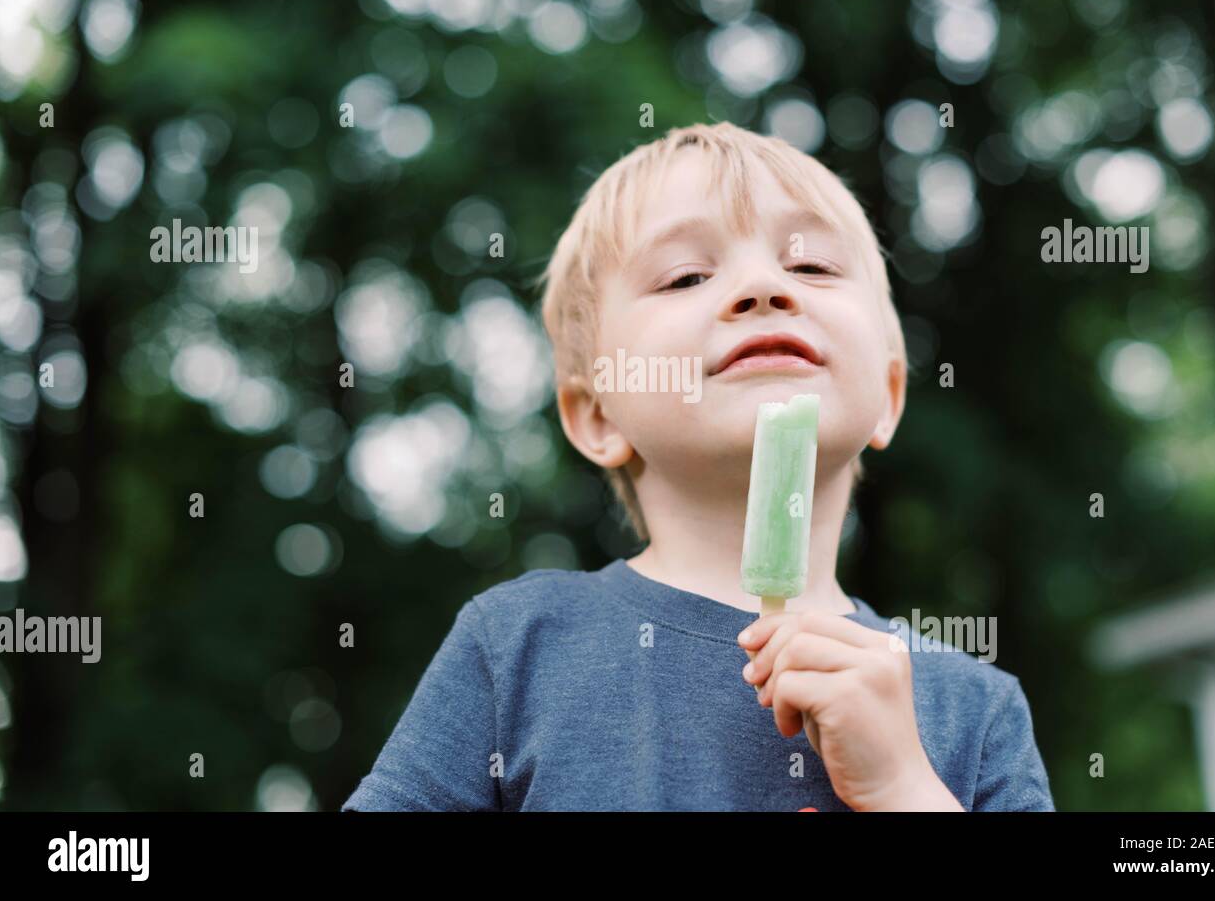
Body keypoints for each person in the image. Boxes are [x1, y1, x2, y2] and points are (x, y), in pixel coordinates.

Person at [342, 122, 1054, 811]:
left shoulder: (976, 709)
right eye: (685, 276)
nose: (764, 285)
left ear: (888, 397)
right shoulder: (518, 645)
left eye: (811, 264)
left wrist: (907, 792)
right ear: (598, 415)